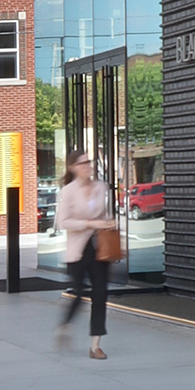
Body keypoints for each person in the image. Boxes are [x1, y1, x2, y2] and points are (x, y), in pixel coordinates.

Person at [56, 149, 113, 359]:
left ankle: (95, 345)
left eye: (89, 162)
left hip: (99, 246)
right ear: (73, 167)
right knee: (79, 293)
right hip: (78, 249)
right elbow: (63, 222)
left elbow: (104, 213)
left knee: (100, 293)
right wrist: (90, 223)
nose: (88, 166)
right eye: (82, 163)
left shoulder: (100, 187)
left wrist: (107, 222)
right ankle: (64, 325)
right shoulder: (68, 191)